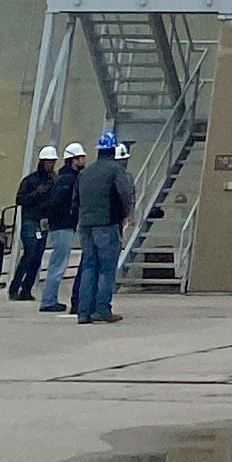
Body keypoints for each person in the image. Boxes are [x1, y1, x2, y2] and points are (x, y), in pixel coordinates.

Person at [73, 133, 134, 323]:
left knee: (89, 267)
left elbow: (76, 199)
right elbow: (125, 194)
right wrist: (126, 214)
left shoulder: (85, 172)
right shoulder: (116, 171)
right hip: (107, 225)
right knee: (106, 269)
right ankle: (102, 309)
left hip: (86, 226)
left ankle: (83, 312)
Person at [35, 143, 85, 313]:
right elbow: (57, 202)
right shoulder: (68, 180)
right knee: (58, 264)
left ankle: (49, 299)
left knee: (58, 263)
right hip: (63, 225)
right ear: (72, 160)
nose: (82, 161)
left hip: (62, 225)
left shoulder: (63, 178)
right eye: (79, 158)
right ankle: (48, 301)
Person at [7, 148, 59, 300]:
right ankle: (15, 287)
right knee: (30, 253)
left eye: (52, 162)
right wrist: (37, 192)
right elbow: (20, 200)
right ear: (42, 162)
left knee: (37, 256)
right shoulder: (30, 180)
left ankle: (26, 289)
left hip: (43, 223)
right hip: (30, 222)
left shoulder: (54, 181)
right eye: (48, 162)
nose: (50, 165)